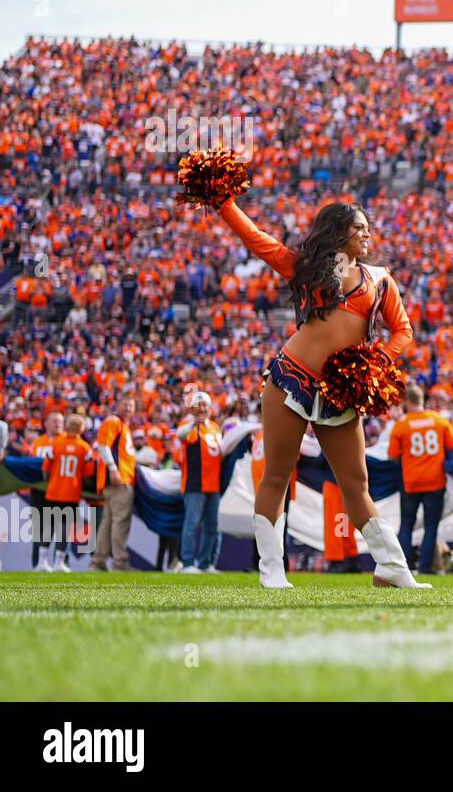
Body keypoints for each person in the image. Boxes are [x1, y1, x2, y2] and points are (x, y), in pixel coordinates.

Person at [215, 194, 423, 588]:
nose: (366, 233)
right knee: (276, 475)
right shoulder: (306, 268)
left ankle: (392, 568)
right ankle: (272, 572)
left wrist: (376, 364)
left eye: (366, 226)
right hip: (290, 379)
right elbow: (257, 239)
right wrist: (225, 204)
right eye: (358, 227)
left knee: (356, 483)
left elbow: (403, 331)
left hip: (339, 393)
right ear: (338, 233)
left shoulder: (380, 278)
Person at [388, 385, 453, 576]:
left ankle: (404, 567)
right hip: (435, 480)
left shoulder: (401, 425)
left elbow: (393, 455)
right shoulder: (439, 421)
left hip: (411, 481)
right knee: (431, 526)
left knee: (406, 525)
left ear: (407, 402)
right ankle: (425, 567)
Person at [176, 391, 224, 574]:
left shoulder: (214, 427)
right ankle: (187, 563)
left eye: (205, 405)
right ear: (192, 408)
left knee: (212, 526)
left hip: (214, 484)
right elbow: (181, 436)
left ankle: (205, 563)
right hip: (195, 483)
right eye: (199, 405)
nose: (202, 409)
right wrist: (192, 424)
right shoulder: (189, 426)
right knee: (191, 524)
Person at [42, 415, 95, 573]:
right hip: (71, 492)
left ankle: (42, 561)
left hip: (53, 490)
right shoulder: (84, 448)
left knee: (49, 525)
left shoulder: (57, 443)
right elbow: (87, 475)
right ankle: (59, 562)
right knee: (65, 528)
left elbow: (45, 468)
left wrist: (50, 481)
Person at [92, 397, 138, 572]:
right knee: (120, 522)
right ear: (117, 406)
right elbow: (103, 446)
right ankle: (119, 563)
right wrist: (113, 469)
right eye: (125, 404)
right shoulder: (114, 422)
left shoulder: (123, 426)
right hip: (119, 480)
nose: (128, 407)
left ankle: (98, 562)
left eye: (131, 405)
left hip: (118, 479)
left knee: (108, 522)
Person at [29, 412, 64, 570]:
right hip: (39, 491)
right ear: (46, 424)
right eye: (54, 421)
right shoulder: (38, 442)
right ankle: (37, 564)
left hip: (59, 489)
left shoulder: (65, 441)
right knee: (39, 528)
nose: (58, 424)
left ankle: (62, 563)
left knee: (61, 527)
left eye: (60, 421)